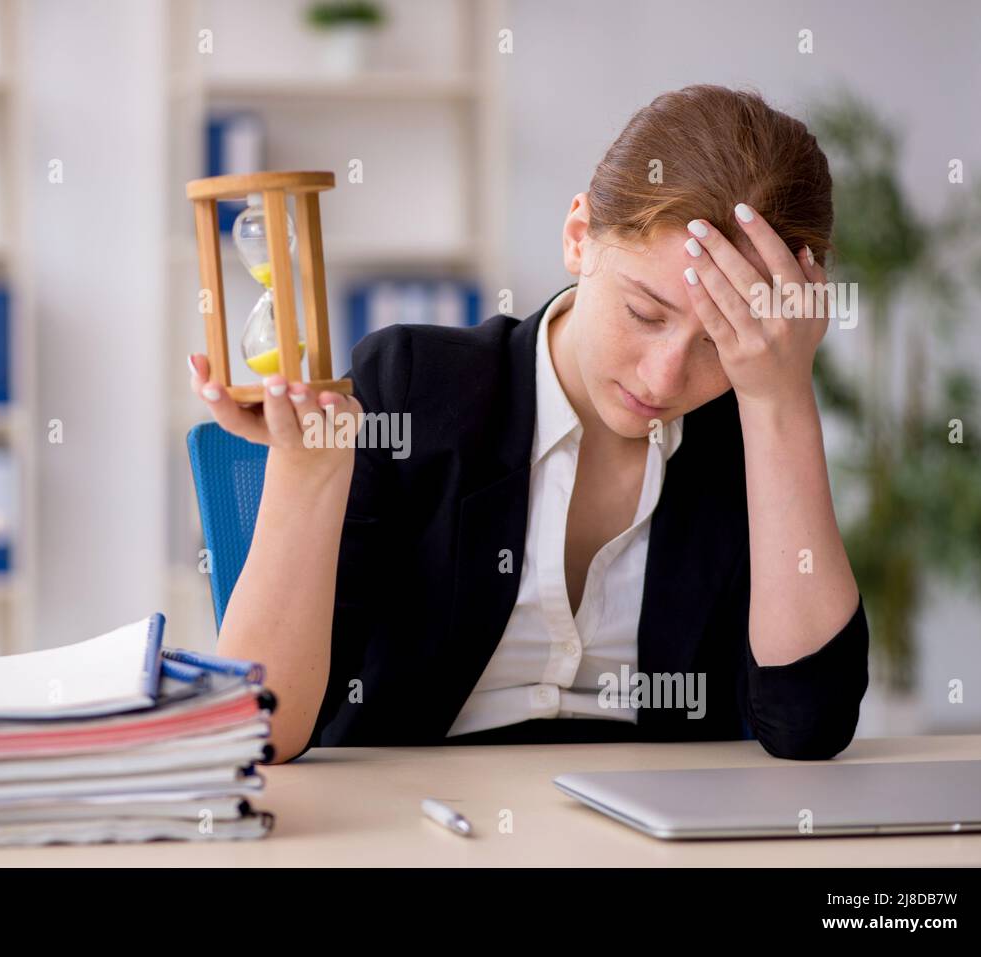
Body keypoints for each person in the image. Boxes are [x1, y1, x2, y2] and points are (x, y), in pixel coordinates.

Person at [187, 84, 868, 764]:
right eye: (644, 313)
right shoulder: (410, 384)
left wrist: (780, 401)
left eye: (718, 342)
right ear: (579, 236)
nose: (664, 378)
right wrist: (305, 471)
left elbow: (808, 726)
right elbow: (260, 729)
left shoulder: (747, 430)